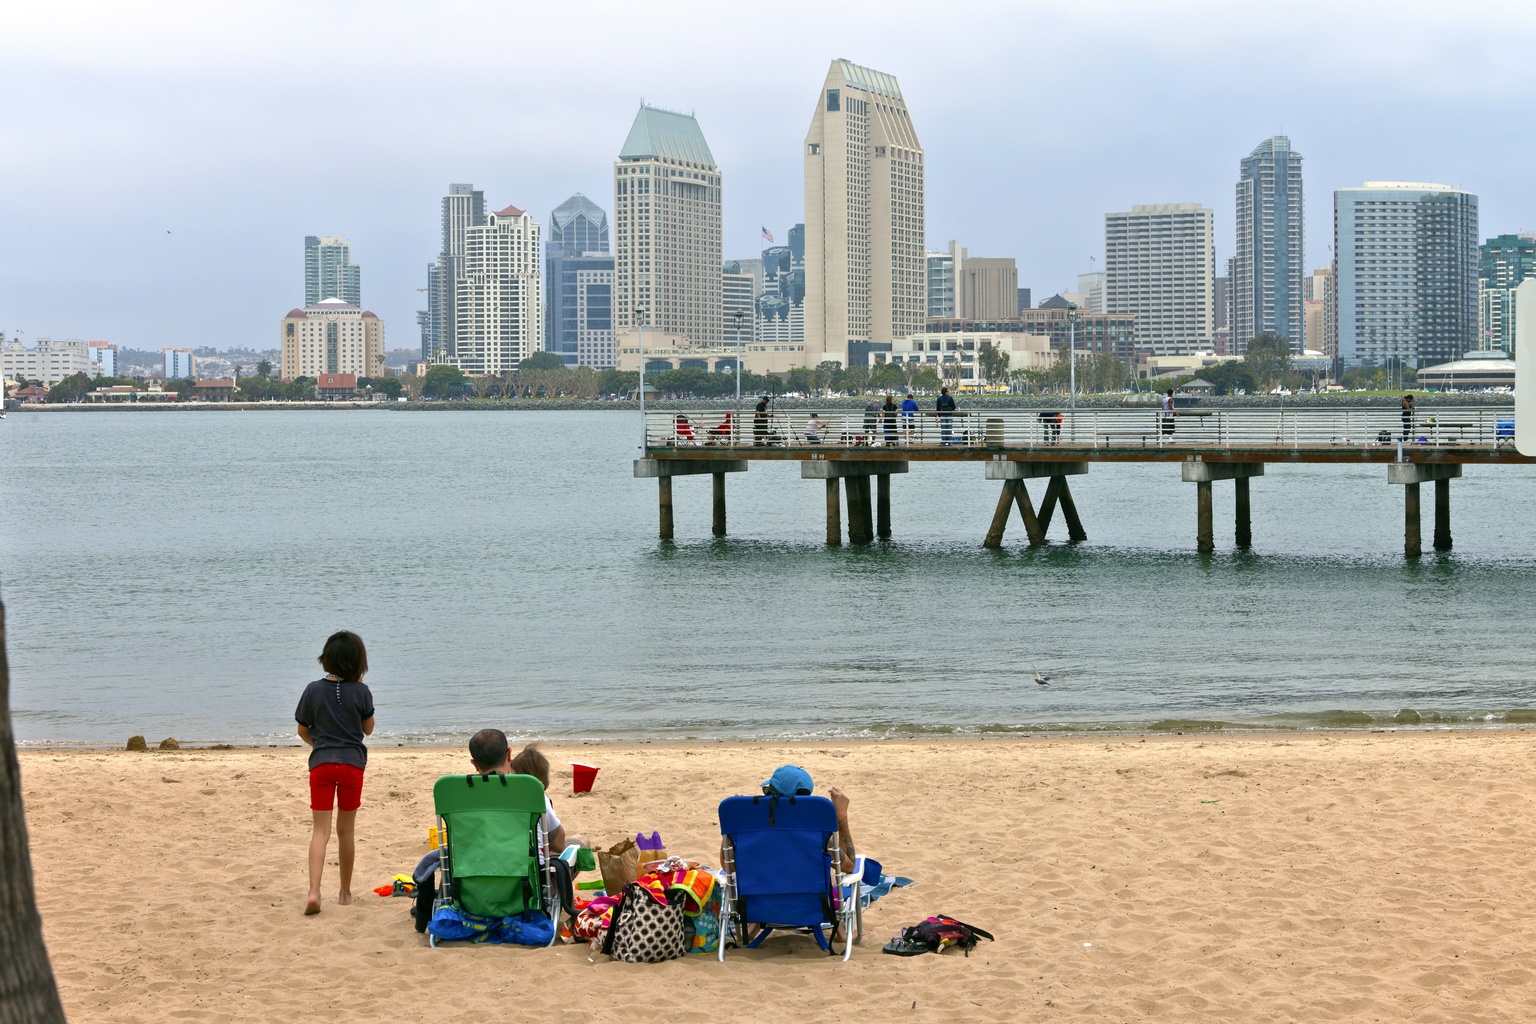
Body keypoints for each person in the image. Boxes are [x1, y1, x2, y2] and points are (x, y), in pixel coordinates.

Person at [295, 630, 375, 916]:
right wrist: (359, 687)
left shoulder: (312, 690)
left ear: (326, 658)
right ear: (358, 662)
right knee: (346, 830)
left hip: (321, 764)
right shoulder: (361, 691)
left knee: (320, 831)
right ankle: (344, 893)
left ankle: (314, 892)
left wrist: (319, 745)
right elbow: (368, 729)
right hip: (352, 764)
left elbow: (302, 729)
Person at [759, 765, 857, 874]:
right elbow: (850, 866)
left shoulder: (751, 827)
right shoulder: (814, 832)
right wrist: (841, 815)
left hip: (757, 890)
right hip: (809, 890)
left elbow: (735, 867)